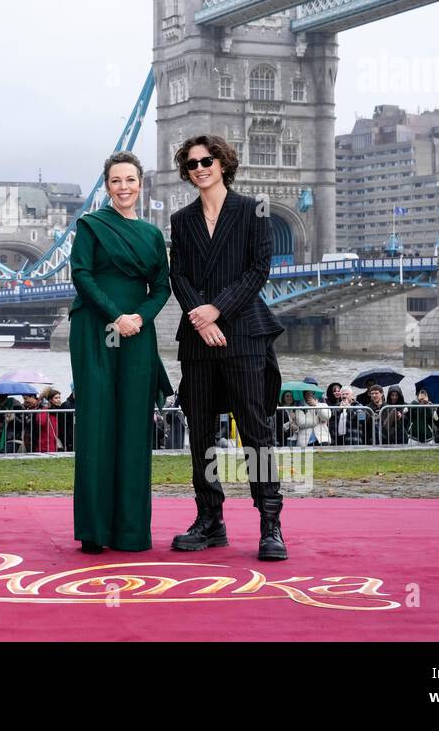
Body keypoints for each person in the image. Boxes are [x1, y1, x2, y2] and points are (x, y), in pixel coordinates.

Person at [167, 135, 287, 562]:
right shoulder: (181, 221)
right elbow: (177, 275)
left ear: (223, 164)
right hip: (198, 338)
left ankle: (270, 524)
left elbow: (260, 269)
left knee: (256, 432)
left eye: (207, 160)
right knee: (201, 434)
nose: (199, 168)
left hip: (243, 334)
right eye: (192, 163)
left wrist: (218, 310)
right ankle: (209, 520)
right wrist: (200, 317)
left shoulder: (253, 209)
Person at [69, 150, 173, 553]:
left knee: (133, 426)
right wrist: (116, 316)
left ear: (140, 185)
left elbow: (162, 286)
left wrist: (140, 319)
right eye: (116, 180)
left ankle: (131, 532)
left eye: (130, 180)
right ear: (107, 186)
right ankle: (94, 531)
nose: (124, 186)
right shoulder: (91, 225)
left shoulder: (151, 235)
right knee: (96, 423)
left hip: (138, 332)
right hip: (96, 328)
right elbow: (81, 274)